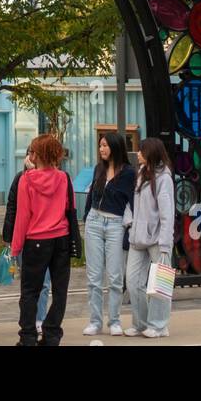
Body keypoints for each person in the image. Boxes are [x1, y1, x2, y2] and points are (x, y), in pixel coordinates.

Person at [10, 134, 74, 346]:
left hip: (36, 240)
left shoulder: (26, 180)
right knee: (60, 290)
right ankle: (52, 332)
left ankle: (27, 336)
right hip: (61, 239)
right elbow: (69, 209)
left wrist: (15, 247)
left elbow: (23, 216)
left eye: (32, 150)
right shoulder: (64, 178)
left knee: (29, 291)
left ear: (36, 154)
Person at [83, 132, 135, 336]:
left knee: (114, 277)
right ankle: (95, 321)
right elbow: (90, 196)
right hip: (94, 222)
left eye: (105, 145)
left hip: (115, 224)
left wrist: (129, 231)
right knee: (93, 278)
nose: (101, 149)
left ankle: (114, 321)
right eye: (100, 145)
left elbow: (134, 203)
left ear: (115, 147)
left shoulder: (130, 173)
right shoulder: (99, 169)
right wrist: (87, 216)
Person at [124, 136, 175, 339]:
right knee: (133, 282)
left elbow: (167, 213)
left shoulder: (164, 178)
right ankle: (141, 324)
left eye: (141, 150)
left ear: (151, 153)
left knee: (160, 285)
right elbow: (136, 205)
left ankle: (159, 325)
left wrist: (165, 244)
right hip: (138, 238)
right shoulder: (141, 173)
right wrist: (130, 224)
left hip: (158, 240)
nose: (137, 153)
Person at [2, 151, 51, 335]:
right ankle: (28, 319)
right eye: (30, 153)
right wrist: (8, 236)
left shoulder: (53, 178)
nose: (32, 156)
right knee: (28, 282)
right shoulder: (20, 178)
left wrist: (35, 174)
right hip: (24, 236)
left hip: (45, 236)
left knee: (45, 282)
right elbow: (12, 206)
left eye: (36, 153)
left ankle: (41, 319)